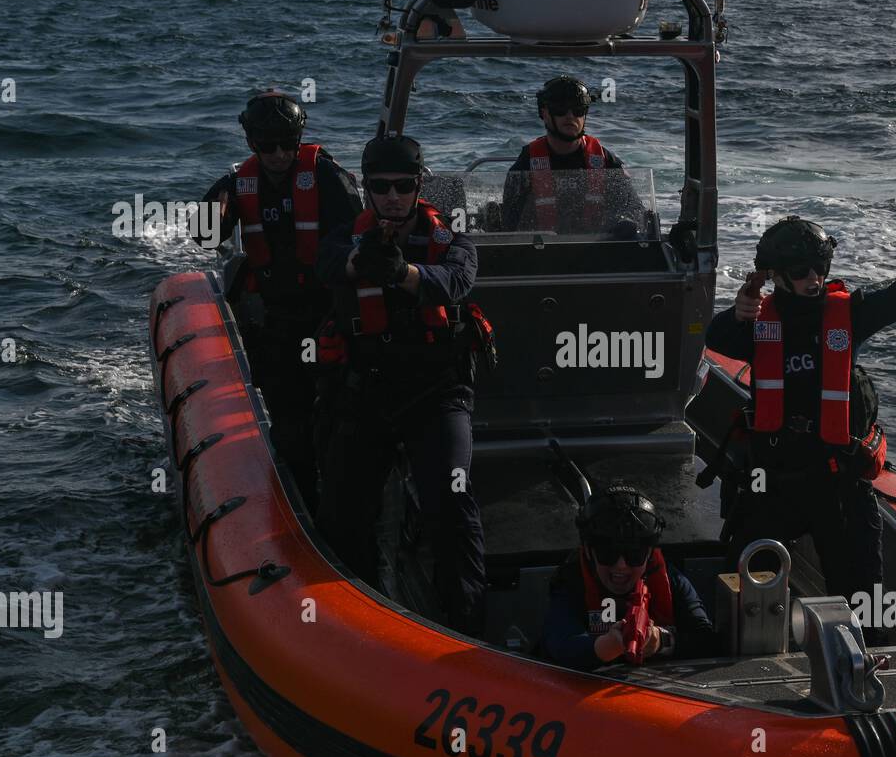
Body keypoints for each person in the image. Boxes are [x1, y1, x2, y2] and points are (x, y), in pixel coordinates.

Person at [704, 216, 896, 600]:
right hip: (773, 481)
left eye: (821, 268)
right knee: (741, 583)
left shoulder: (848, 315)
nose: (814, 278)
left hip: (837, 481)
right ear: (774, 274)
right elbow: (715, 337)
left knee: (862, 596)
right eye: (801, 270)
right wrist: (737, 314)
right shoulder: (758, 322)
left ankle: (860, 652)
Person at [313, 133, 489, 637]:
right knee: (342, 509)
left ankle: (469, 623)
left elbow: (455, 282)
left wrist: (404, 272)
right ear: (366, 188)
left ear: (419, 185)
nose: (392, 196)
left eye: (403, 185)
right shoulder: (346, 237)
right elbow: (329, 265)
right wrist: (360, 263)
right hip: (367, 389)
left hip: (436, 394)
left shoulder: (451, 239)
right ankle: (355, 621)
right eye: (380, 186)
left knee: (452, 497)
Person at [199, 90, 363, 513]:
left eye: (286, 144)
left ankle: (341, 498)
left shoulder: (326, 177)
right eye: (266, 145)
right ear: (251, 144)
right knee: (289, 424)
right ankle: (299, 501)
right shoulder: (236, 184)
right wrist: (212, 216)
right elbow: (203, 236)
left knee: (337, 416)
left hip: (329, 315)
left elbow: (357, 241)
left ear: (299, 139)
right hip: (277, 320)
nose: (277, 154)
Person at [542, 486, 719, 670]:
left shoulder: (672, 581)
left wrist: (661, 641)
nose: (621, 565)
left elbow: (708, 640)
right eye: (607, 554)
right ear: (588, 551)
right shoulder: (572, 583)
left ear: (650, 554)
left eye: (634, 555)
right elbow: (560, 643)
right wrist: (606, 647)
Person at [499, 75, 642, 234]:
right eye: (560, 108)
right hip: (542, 250)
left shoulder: (605, 161)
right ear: (544, 113)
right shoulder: (526, 164)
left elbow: (633, 206)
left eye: (578, 109)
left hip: (597, 249)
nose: (570, 115)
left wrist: (626, 221)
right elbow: (509, 223)